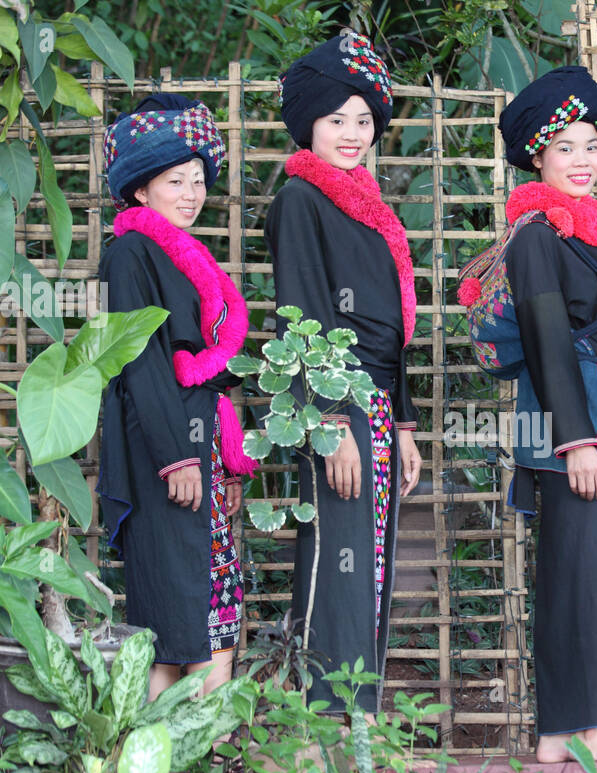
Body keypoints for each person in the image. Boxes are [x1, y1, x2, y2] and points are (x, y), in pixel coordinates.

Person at [496, 66, 597, 767]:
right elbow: (545, 338)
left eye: (592, 145)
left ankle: (561, 733)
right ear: (538, 156)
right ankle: (589, 728)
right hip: (565, 422)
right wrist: (576, 442)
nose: (583, 159)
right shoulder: (536, 234)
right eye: (566, 146)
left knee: (581, 566)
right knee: (577, 569)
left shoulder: (590, 236)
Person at [264, 31, 422, 715]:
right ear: (309, 126)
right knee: (338, 558)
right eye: (337, 120)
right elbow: (302, 315)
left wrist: (405, 425)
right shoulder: (302, 201)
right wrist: (329, 424)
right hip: (335, 406)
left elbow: (394, 332)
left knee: (373, 565)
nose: (353, 133)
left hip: (379, 408)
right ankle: (327, 724)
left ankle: (365, 718)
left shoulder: (372, 211)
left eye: (364, 120)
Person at [96, 93, 258, 703]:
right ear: (141, 190)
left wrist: (221, 461)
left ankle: (187, 767)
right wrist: (177, 458)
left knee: (206, 611)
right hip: (164, 456)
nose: (191, 193)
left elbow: (207, 375)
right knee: (175, 617)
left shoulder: (182, 257)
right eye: (174, 181)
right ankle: (173, 767)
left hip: (201, 453)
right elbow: (139, 364)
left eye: (197, 180)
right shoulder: (130, 255)